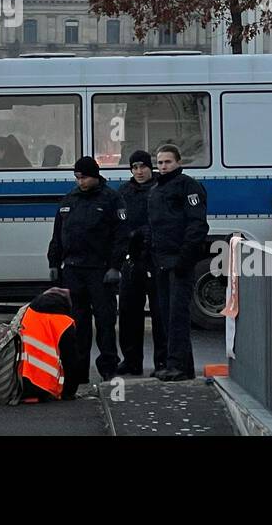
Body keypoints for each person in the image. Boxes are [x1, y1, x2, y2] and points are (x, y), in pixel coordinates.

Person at [46, 156, 128, 387]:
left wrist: (115, 266)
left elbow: (121, 236)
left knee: (105, 321)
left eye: (84, 177)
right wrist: (54, 263)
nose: (80, 181)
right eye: (77, 177)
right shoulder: (70, 199)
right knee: (77, 323)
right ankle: (78, 371)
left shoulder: (111, 199)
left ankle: (109, 367)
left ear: (95, 175)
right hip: (73, 270)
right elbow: (58, 235)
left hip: (100, 270)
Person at [147, 143, 209, 382]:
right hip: (161, 260)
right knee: (166, 315)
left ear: (178, 163)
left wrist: (186, 257)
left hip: (178, 261)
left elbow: (197, 225)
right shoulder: (156, 190)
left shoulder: (188, 186)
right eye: (160, 162)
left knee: (178, 316)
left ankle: (180, 367)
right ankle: (177, 364)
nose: (163, 166)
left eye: (167, 162)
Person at [0, 287, 80, 403]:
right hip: (44, 389)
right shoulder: (65, 324)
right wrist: (69, 394)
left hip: (14, 379)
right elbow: (72, 363)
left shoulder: (26, 312)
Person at [116, 150, 165, 376]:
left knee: (159, 313)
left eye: (142, 167)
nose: (139, 171)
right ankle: (131, 360)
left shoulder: (159, 189)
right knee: (128, 313)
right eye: (134, 168)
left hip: (154, 259)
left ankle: (162, 362)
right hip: (131, 260)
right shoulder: (124, 191)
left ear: (150, 167)